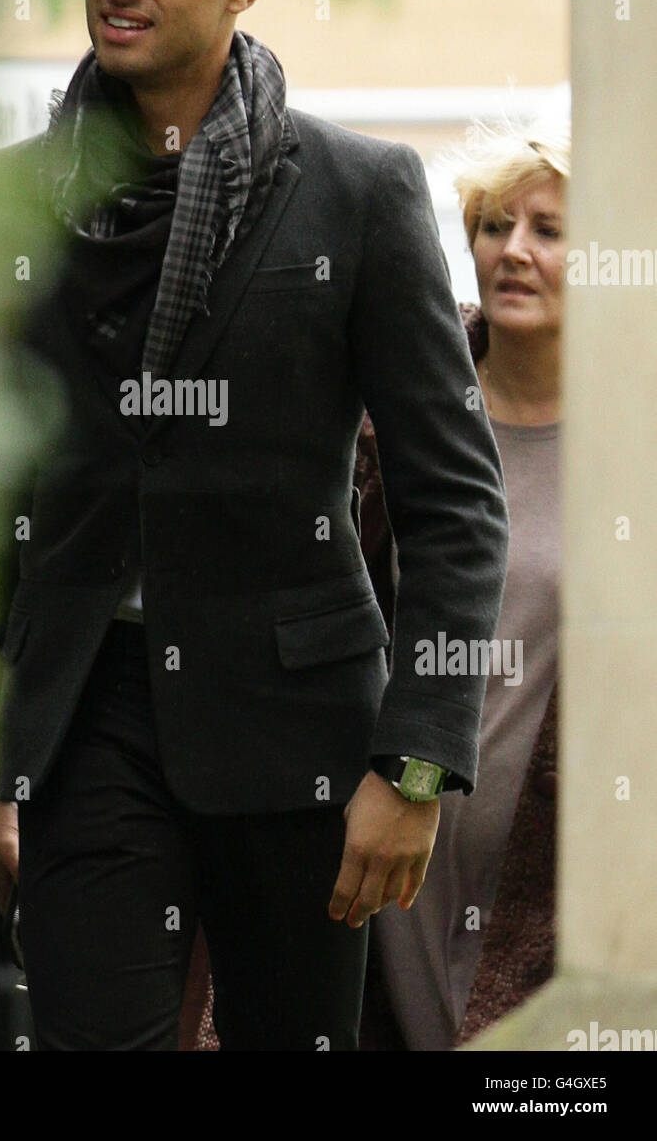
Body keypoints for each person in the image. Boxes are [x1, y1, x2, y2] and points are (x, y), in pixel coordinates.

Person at [0, 0, 509, 1052]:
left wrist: (414, 762)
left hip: (299, 726)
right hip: (85, 714)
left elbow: (454, 499)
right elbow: (6, 491)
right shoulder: (3, 204)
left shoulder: (358, 192)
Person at [361, 120, 568, 1049]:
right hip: (388, 835)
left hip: (557, 878)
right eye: (492, 225)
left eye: (549, 231)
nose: (512, 251)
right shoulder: (389, 418)